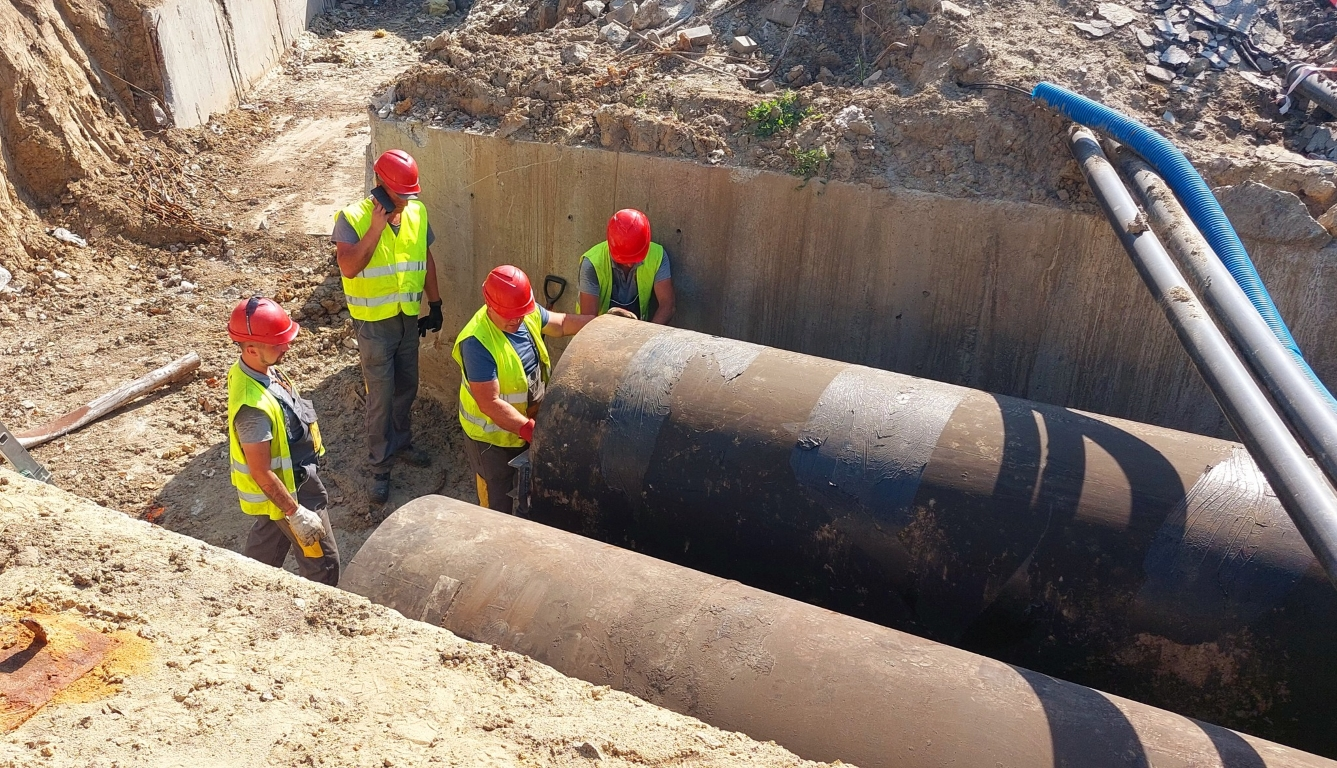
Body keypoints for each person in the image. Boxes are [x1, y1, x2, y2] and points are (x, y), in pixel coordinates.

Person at [453, 265, 633, 514]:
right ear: (491, 306)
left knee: (531, 489)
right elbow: (490, 403)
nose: (518, 320)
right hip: (491, 441)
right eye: (511, 315)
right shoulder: (477, 342)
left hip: (528, 426)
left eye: (521, 313)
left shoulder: (523, 313)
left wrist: (600, 324)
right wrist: (531, 430)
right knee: (496, 505)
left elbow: (561, 324)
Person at [332, 149, 443, 505]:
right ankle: (380, 467)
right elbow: (349, 267)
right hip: (374, 324)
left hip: (406, 316)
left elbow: (425, 258)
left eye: (411, 195)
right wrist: (376, 229)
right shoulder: (352, 218)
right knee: (380, 395)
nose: (407, 202)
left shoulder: (417, 213)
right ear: (380, 186)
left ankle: (402, 442)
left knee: (407, 385)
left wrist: (436, 302)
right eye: (400, 195)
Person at [226, 296, 340, 586]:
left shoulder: (261, 368)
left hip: (291, 480)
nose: (286, 346)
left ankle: (247, 589)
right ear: (251, 349)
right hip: (294, 489)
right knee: (324, 567)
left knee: (265, 550)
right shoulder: (253, 409)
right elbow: (261, 471)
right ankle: (320, 618)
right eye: (278, 343)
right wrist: (295, 512)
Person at [578, 208, 676, 324]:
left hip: (638, 330)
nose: (629, 264)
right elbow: (588, 320)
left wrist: (647, 337)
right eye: (623, 259)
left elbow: (668, 305)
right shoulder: (592, 263)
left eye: (635, 258)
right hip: (599, 331)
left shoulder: (657, 256)